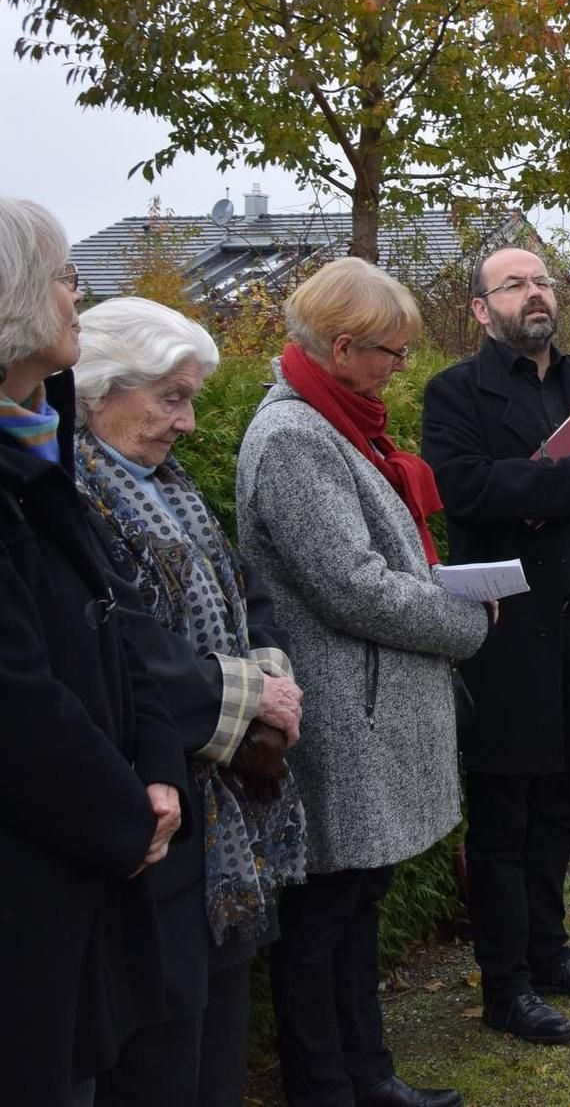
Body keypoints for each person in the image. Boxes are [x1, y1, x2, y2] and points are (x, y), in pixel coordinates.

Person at [235, 257, 492, 1107]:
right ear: (342, 348)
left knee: (355, 901)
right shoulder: (297, 436)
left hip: (365, 708)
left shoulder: (340, 422)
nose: (399, 368)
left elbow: (379, 565)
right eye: (391, 351)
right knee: (322, 916)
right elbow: (351, 584)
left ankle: (367, 1073)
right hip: (340, 713)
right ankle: (328, 1086)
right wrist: (464, 620)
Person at [422, 246, 570, 1046]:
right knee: (503, 817)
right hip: (506, 637)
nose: (535, 294)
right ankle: (505, 986)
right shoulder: (456, 392)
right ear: (479, 308)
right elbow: (467, 488)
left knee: (561, 802)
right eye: (515, 284)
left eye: (543, 282)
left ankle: (550, 952)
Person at [73, 297, 308, 1107]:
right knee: (159, 1061)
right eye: (172, 397)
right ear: (101, 389)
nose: (190, 422)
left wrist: (272, 679)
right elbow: (131, 648)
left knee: (216, 1043)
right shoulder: (75, 494)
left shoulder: (168, 483)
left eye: (193, 397)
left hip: (225, 816)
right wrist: (254, 700)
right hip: (158, 799)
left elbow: (246, 589)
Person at [0, 198, 184, 1106]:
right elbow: (16, 698)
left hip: (85, 858)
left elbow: (120, 628)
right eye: (69, 275)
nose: (81, 296)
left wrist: (158, 772)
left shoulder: (40, 442)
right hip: (32, 876)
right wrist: (128, 812)